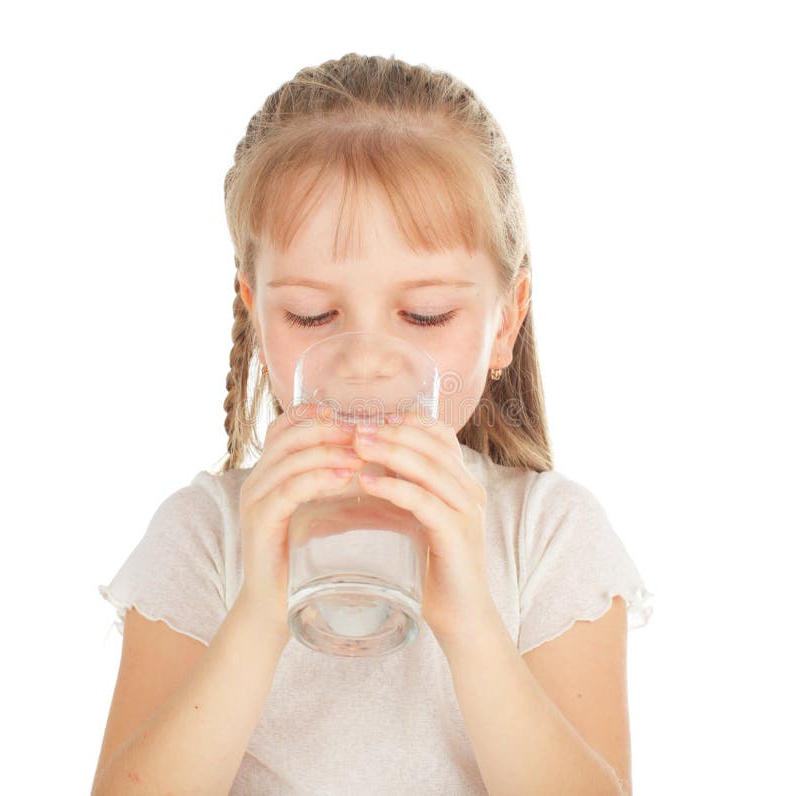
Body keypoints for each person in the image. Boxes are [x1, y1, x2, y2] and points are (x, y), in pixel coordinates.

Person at [91, 52, 653, 795]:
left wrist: (473, 626)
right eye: (312, 315)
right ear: (257, 315)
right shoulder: (206, 533)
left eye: (424, 314)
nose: (364, 362)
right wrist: (259, 612)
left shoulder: (548, 536)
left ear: (503, 324)